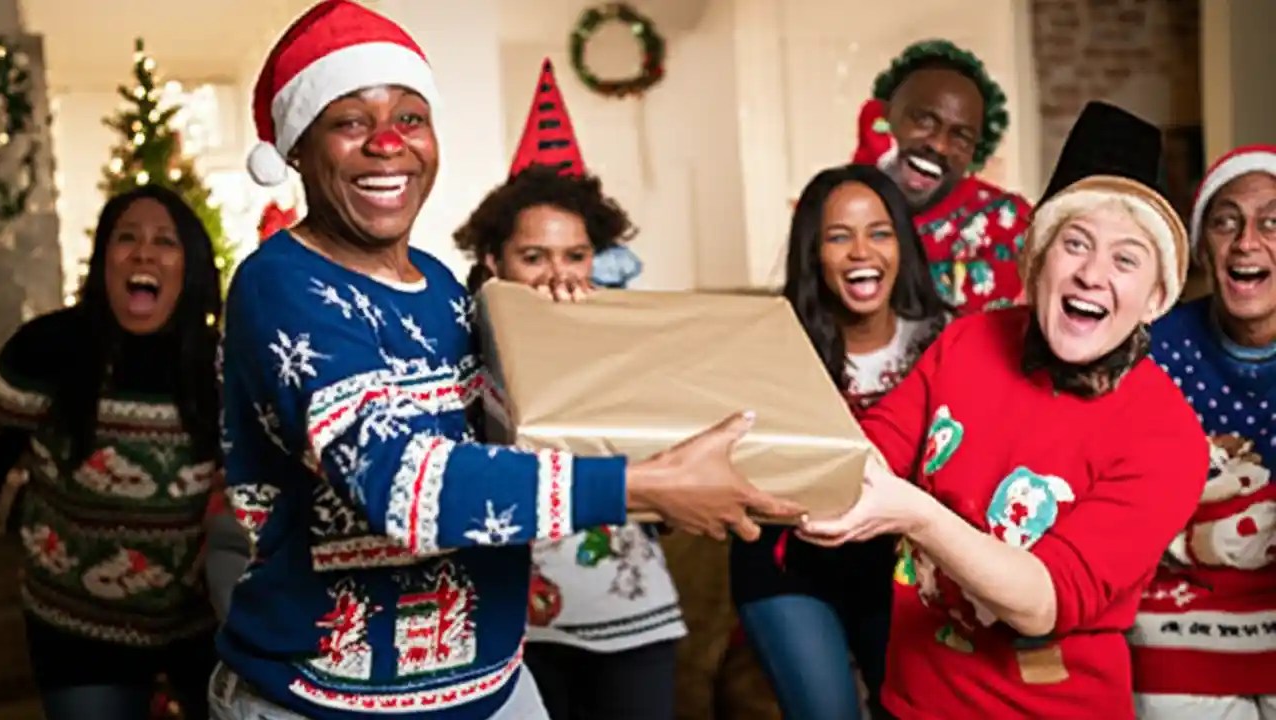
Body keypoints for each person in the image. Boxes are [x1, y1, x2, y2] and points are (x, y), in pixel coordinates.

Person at [210, 3, 799, 719]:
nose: (388, 144)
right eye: (350, 122)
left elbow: (538, 439)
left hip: (493, 688)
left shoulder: (446, 294)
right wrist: (646, 485)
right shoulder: (283, 284)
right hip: (326, 700)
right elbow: (400, 481)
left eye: (410, 118)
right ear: (299, 147)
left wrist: (553, 326)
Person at [798, 101, 1210, 719]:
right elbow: (874, 446)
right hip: (909, 706)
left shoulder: (1169, 437)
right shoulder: (967, 341)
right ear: (1038, 264)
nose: (1093, 274)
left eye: (1125, 259)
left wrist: (915, 514)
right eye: (1074, 244)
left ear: (1154, 298)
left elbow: (1042, 601)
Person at [452, 57, 683, 720]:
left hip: (630, 610)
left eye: (575, 254)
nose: (559, 274)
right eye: (535, 256)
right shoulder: (459, 353)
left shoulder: (632, 343)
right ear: (494, 261)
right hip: (509, 624)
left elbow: (672, 478)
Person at [0, 185, 224, 720]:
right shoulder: (45, 348)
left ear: (189, 269)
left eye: (165, 242)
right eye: (127, 238)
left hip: (200, 626)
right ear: (103, 261)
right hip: (76, 631)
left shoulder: (219, 364)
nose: (143, 253)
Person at [730, 163, 948, 720]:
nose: (860, 252)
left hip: (902, 569)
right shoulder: (773, 343)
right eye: (837, 236)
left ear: (902, 245)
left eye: (878, 232)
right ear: (813, 253)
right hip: (788, 566)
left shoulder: (947, 342)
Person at [1130, 145, 1276, 719]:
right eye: (1225, 222)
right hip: (1182, 602)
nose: (1246, 241)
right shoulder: (1154, 346)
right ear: (1202, 246)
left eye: (1272, 222)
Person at [852, 39, 1032, 315]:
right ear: (884, 116)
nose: (938, 145)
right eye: (923, 120)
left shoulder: (1003, 223)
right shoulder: (840, 207)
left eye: (961, 136)